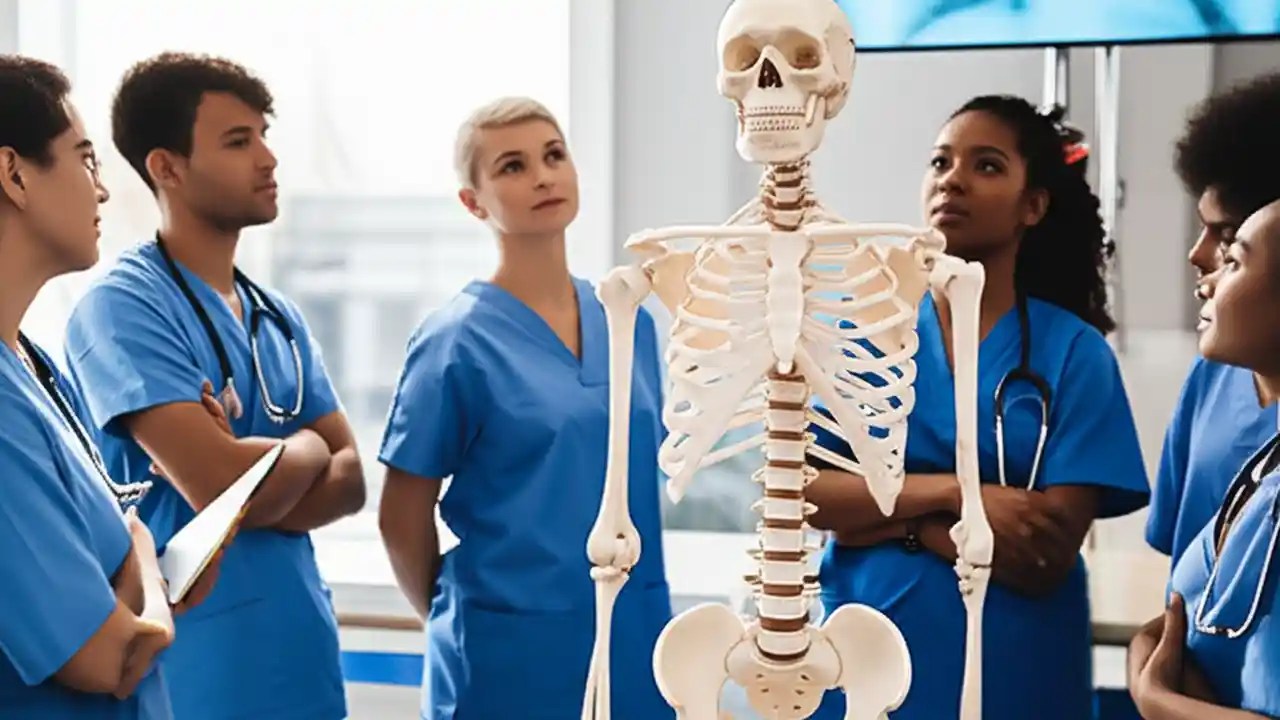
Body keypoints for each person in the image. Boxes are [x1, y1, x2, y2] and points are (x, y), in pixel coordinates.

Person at [805, 95, 1150, 719]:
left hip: (1015, 663)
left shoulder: (1074, 354)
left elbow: (1042, 556)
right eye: (940, 163)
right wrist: (960, 497)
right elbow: (810, 498)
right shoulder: (866, 339)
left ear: (1033, 206)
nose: (953, 179)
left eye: (986, 166)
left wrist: (886, 516)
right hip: (866, 657)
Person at [60, 52, 365, 720]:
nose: (268, 158)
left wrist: (257, 475)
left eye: (264, 135)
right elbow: (222, 488)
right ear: (166, 167)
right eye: (239, 140)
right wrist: (308, 448)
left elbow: (354, 481)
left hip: (301, 659)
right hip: (195, 669)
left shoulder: (276, 316)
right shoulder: (122, 308)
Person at [377, 96, 674, 720]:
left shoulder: (630, 322)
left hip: (635, 632)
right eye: (512, 166)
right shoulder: (456, 340)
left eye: (554, 155)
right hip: (504, 649)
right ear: (473, 201)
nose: (542, 175)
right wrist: (462, 616)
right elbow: (401, 516)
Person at [0, 52, 218, 719]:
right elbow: (107, 657)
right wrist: (146, 559)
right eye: (85, 158)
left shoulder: (34, 366)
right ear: (13, 174)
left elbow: (126, 588)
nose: (100, 190)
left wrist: (182, 542)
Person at [1128, 197, 1280, 719]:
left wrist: (1160, 702)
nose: (1207, 278)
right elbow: (1184, 614)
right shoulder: (1263, 473)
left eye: (1234, 260)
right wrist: (1150, 664)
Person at [1148, 71, 1280, 568]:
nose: (1197, 256)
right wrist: (1150, 644)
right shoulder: (1210, 378)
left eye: (1228, 239)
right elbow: (1180, 596)